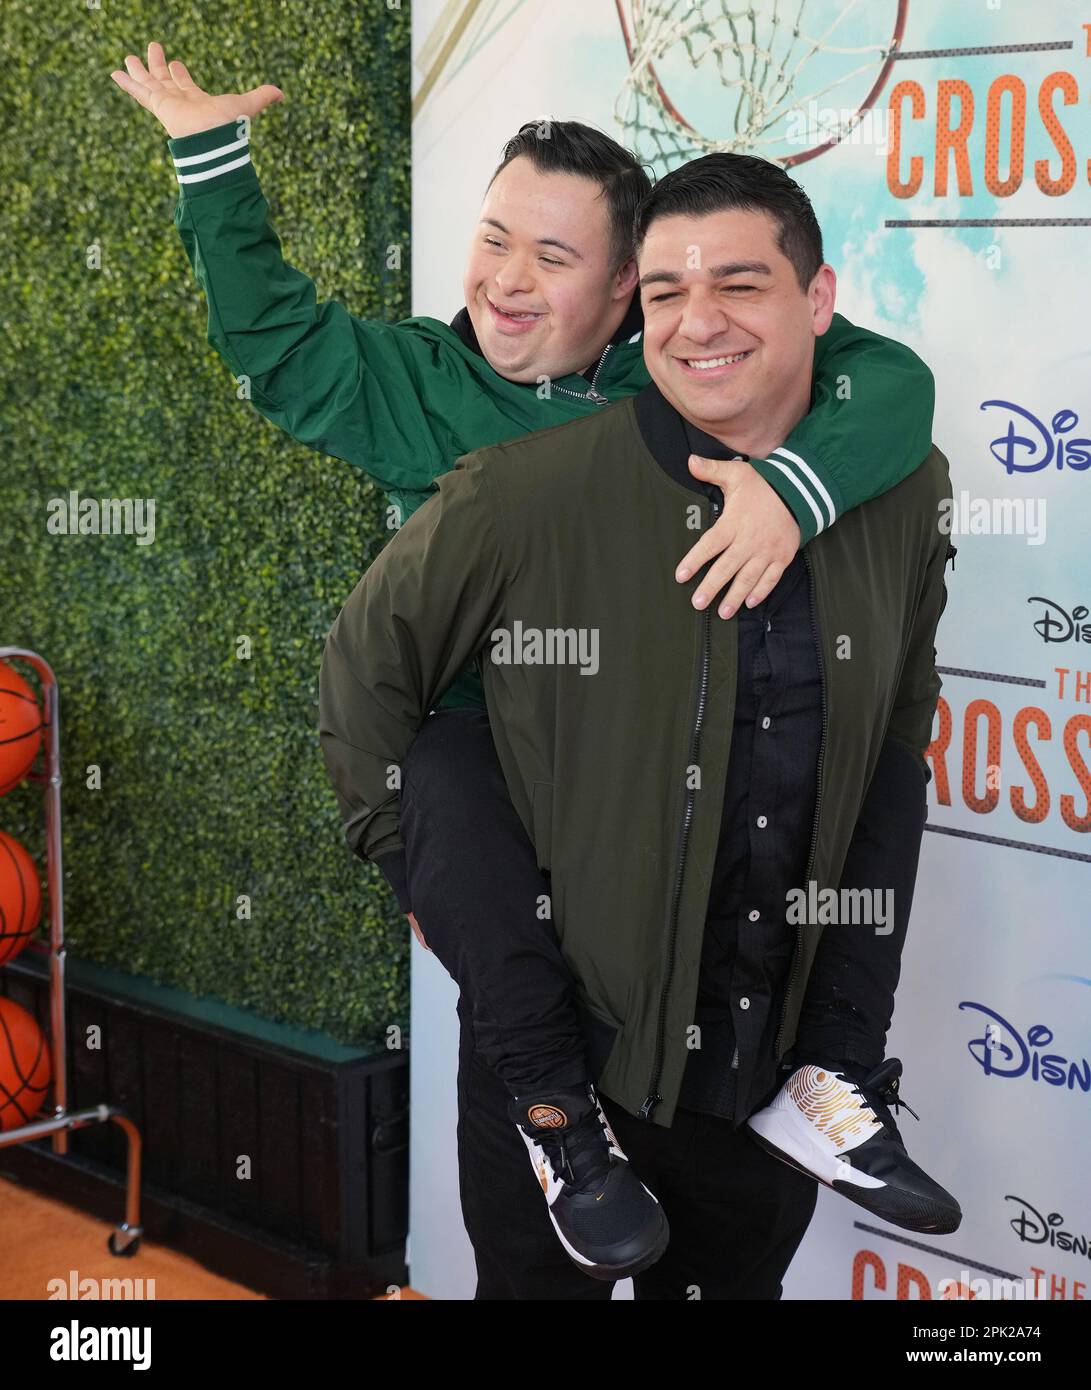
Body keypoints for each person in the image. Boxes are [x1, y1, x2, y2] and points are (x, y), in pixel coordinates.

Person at [110, 44, 947, 1287]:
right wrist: (207, 153)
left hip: (657, 833)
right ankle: (560, 1122)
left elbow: (888, 377)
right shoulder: (431, 389)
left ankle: (824, 1071)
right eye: (492, 238)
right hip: (477, 770)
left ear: (624, 291)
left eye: (550, 259)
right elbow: (278, 346)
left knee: (875, 766)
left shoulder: (681, 385)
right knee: (448, 769)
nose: (503, 283)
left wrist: (790, 490)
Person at [317, 151, 962, 1299]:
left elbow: (893, 735)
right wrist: (413, 860)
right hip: (566, 1043)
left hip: (759, 1070)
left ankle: (836, 1077)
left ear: (818, 302)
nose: (696, 321)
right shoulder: (525, 487)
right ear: (632, 308)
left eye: (740, 284)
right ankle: (559, 1120)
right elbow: (368, 678)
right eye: (664, 290)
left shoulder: (902, 487)